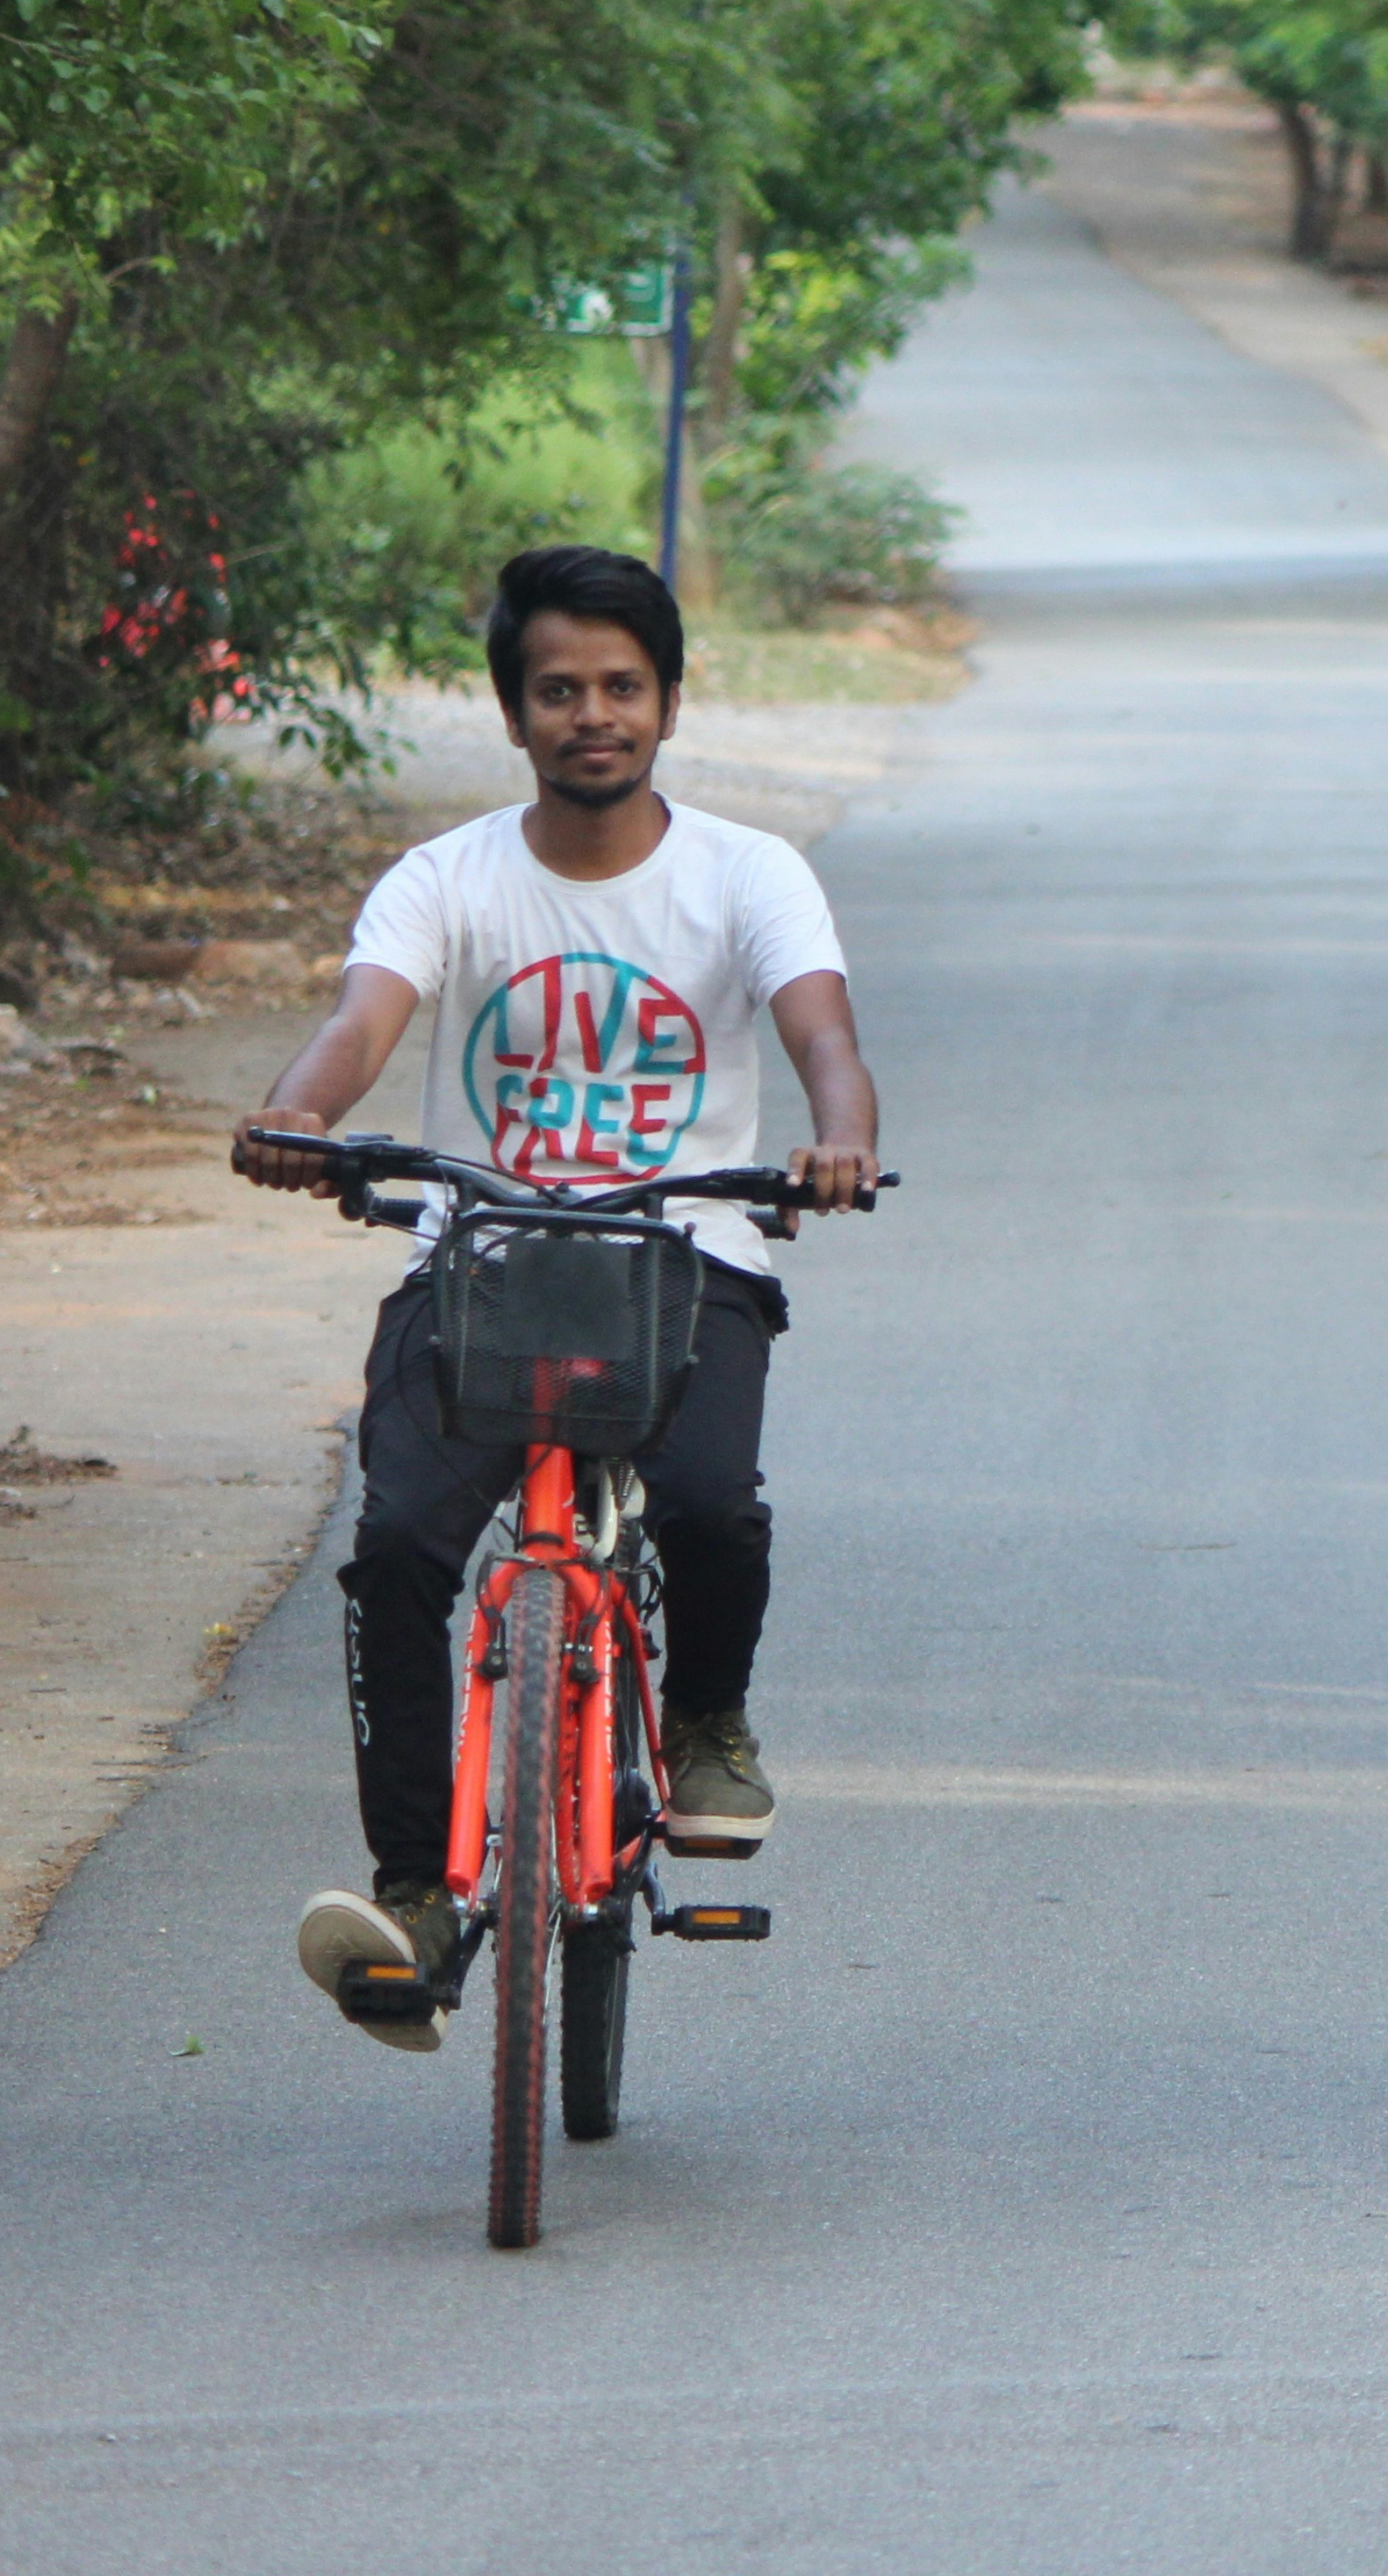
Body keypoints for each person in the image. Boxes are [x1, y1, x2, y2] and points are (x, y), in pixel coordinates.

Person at [234, 545, 882, 2047]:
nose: (592, 714)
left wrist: (837, 1137)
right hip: (483, 1258)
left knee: (714, 1506)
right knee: (397, 1542)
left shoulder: (746, 873)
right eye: (558, 691)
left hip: (685, 1259)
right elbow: (358, 1021)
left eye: (620, 687)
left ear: (666, 700)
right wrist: (295, 1117)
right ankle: (414, 1889)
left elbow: (821, 1031)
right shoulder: (446, 877)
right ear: (513, 713)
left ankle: (707, 1722)